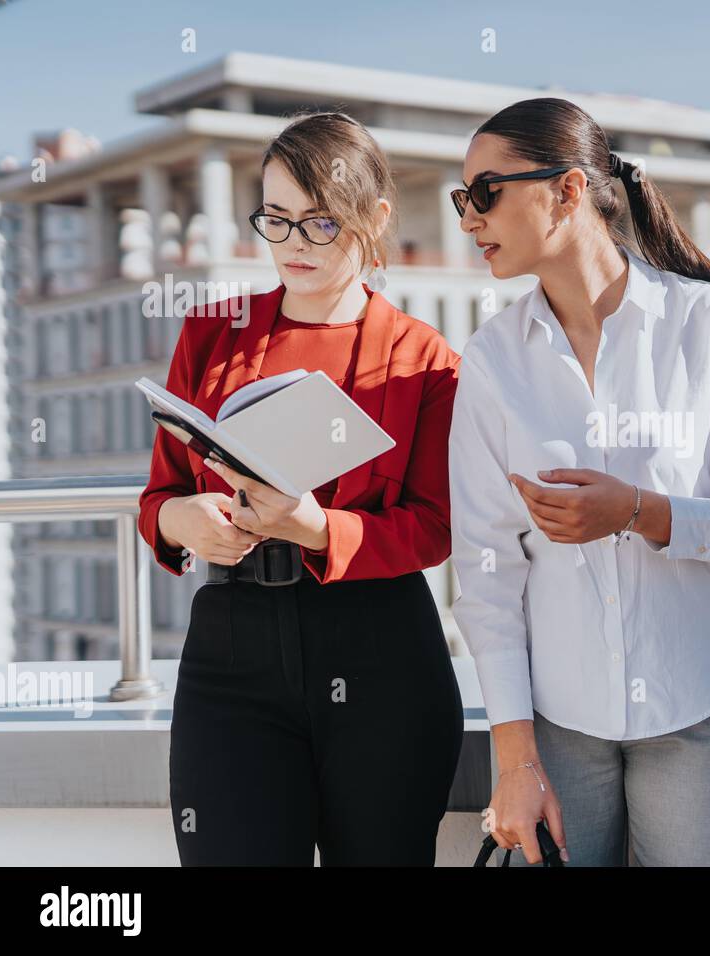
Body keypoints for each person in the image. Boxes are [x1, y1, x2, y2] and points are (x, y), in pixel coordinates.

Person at [446, 97, 710, 866]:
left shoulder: (705, 323)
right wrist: (515, 763)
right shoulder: (490, 358)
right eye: (461, 199)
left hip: (697, 713)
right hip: (558, 727)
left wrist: (639, 512)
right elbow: (486, 575)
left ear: (569, 191)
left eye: (486, 193)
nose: (469, 218)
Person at [137, 112, 463, 865]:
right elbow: (157, 500)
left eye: (320, 224)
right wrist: (188, 520)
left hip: (382, 654)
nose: (291, 245)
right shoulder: (212, 331)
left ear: (375, 218)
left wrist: (317, 528)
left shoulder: (423, 356)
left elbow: (436, 527)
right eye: (276, 220)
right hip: (231, 649)